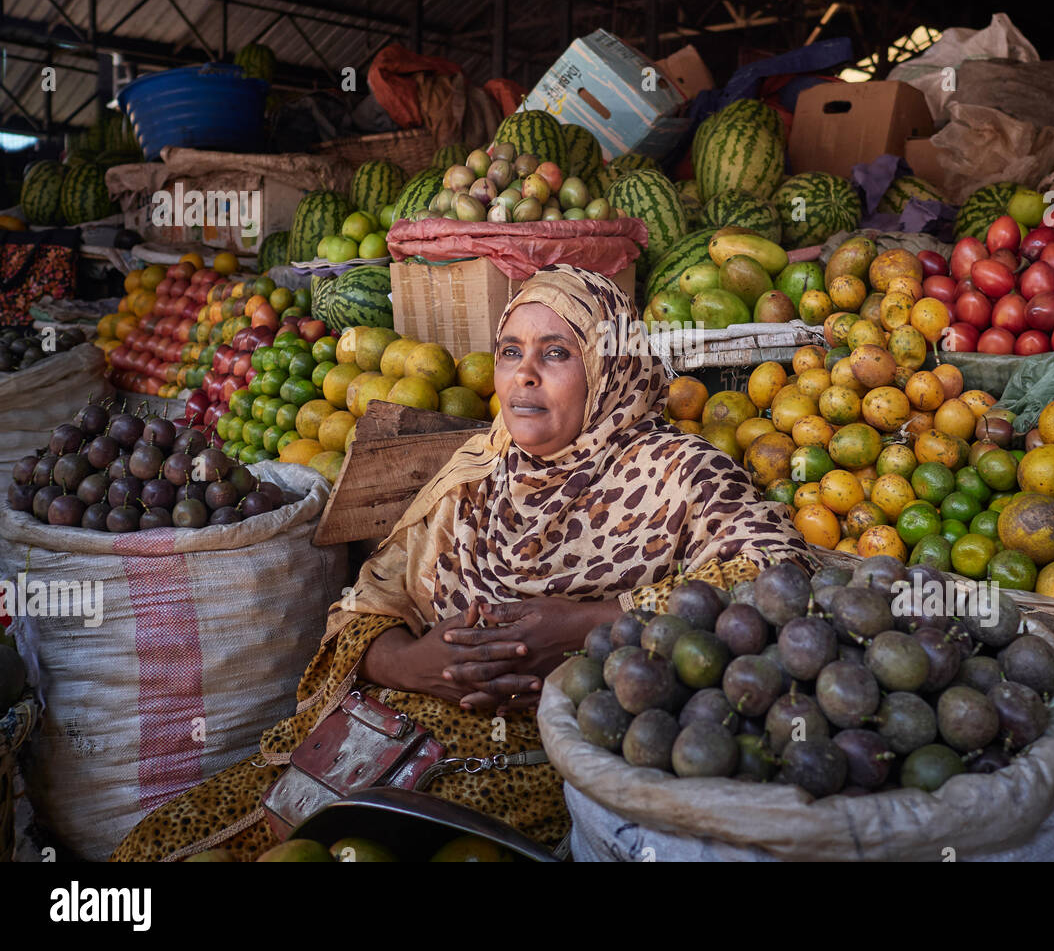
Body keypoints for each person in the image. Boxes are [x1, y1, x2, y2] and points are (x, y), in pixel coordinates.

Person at [112, 264, 812, 861]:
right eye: (510, 351)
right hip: (382, 735)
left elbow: (778, 582)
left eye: (557, 353)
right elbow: (370, 602)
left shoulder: (679, 473)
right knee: (161, 843)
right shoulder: (479, 470)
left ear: (611, 362)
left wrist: (584, 627)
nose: (526, 374)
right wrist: (407, 662)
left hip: (535, 763)